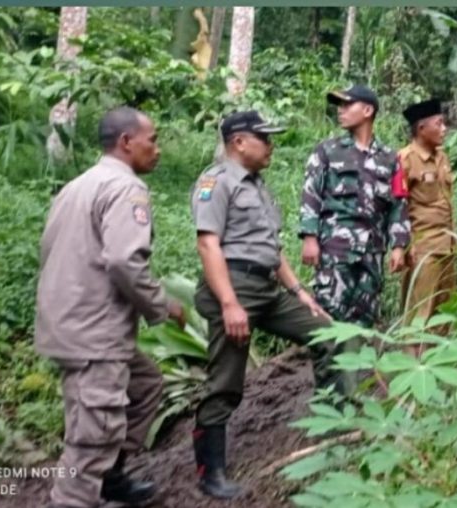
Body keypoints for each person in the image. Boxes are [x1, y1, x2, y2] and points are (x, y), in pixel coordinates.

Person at [35, 106, 186, 508]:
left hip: (70, 324)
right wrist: (161, 305)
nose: (157, 149)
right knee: (93, 436)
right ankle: (78, 495)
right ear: (126, 143)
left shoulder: (78, 185)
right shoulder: (125, 189)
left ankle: (109, 478)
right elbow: (123, 260)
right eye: (151, 140)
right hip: (94, 334)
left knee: (145, 384)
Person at [190, 111, 335, 499]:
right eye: (264, 138)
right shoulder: (217, 182)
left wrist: (298, 291)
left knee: (327, 333)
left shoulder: (256, 185)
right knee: (225, 381)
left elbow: (272, 246)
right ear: (239, 142)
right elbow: (208, 244)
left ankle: (332, 420)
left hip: (268, 287)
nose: (271, 145)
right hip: (235, 286)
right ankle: (210, 472)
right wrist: (229, 303)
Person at [299, 85, 410, 352]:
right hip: (335, 251)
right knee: (328, 321)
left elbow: (398, 203)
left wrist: (398, 246)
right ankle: (329, 388)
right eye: (340, 106)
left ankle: (357, 384)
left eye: (347, 105)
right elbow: (311, 194)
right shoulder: (328, 151)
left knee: (365, 321)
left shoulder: (389, 158)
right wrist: (309, 238)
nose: (341, 111)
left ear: (368, 110)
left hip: (371, 254)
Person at [397, 99, 456, 352]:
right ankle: (410, 369)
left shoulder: (442, 157)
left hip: (448, 244)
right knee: (419, 311)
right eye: (439, 124)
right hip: (424, 248)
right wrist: (402, 246)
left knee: (444, 309)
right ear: (421, 128)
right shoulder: (404, 159)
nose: (444, 129)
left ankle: (437, 366)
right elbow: (398, 205)